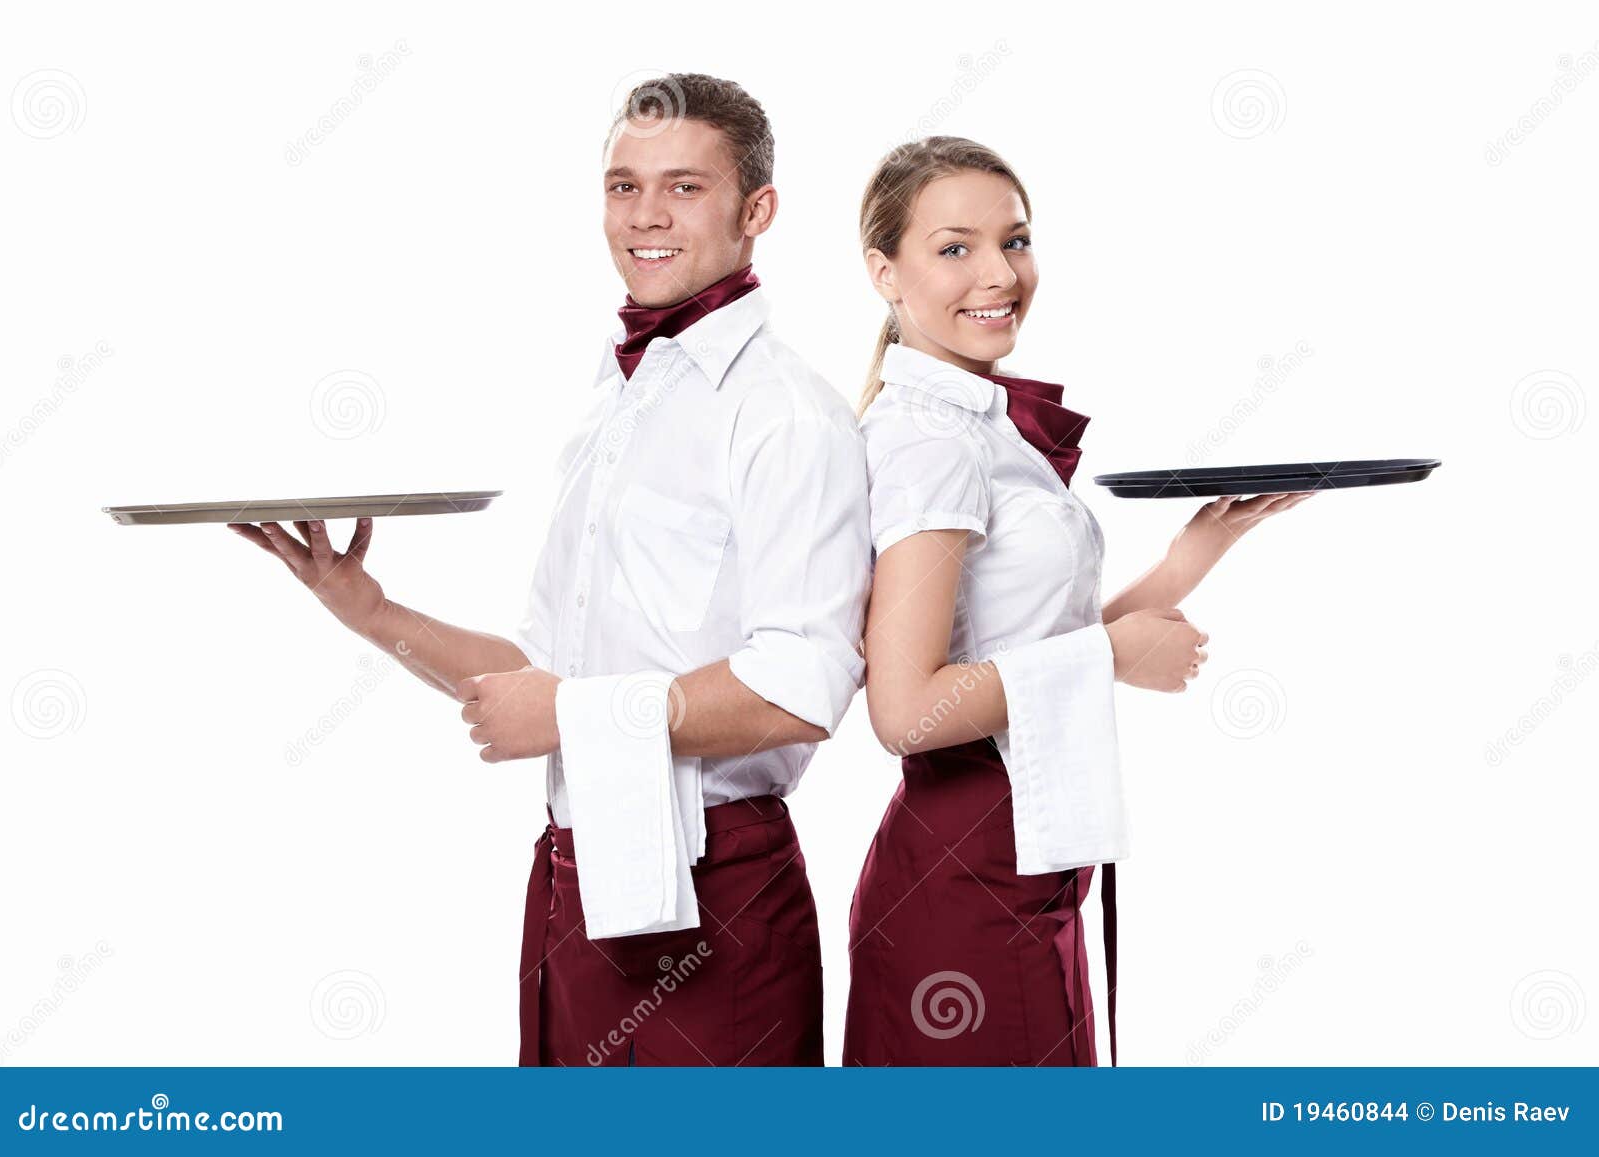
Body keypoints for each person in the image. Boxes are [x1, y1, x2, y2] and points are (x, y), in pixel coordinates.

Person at [228, 74, 870, 1066]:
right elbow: (541, 670)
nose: (644, 216)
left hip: (717, 893)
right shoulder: (615, 401)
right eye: (622, 186)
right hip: (578, 879)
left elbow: (802, 685)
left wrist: (570, 714)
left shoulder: (787, 413)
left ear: (757, 212)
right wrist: (365, 606)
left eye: (683, 188)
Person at [841, 136, 1313, 1066]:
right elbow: (906, 709)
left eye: (1015, 241)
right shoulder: (931, 442)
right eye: (954, 247)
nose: (999, 273)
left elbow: (1017, 643)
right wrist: (1113, 656)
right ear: (883, 271)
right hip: (968, 879)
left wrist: (1186, 563)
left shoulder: (970, 423)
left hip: (1018, 860)